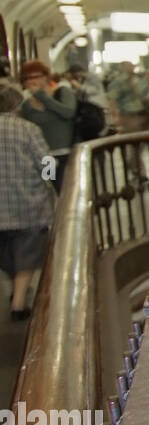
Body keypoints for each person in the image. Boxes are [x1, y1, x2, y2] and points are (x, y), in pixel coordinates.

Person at [0, 80, 54, 322]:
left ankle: (16, 290)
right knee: (27, 251)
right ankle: (19, 302)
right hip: (27, 202)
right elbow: (46, 162)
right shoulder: (27, 129)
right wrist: (47, 182)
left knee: (6, 253)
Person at [18, 60, 76, 192]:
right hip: (46, 157)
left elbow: (68, 112)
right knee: (51, 190)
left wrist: (42, 97)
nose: (32, 81)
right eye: (27, 78)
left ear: (46, 76)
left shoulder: (62, 92)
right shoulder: (26, 105)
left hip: (67, 154)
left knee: (67, 191)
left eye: (36, 76)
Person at [106, 63, 149, 181]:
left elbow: (143, 96)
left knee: (139, 145)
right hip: (128, 116)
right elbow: (112, 100)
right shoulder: (118, 83)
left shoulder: (137, 81)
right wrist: (116, 117)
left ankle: (134, 167)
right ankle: (139, 170)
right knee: (135, 144)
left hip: (140, 114)